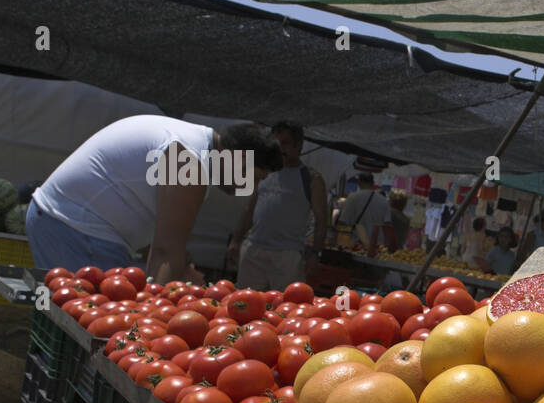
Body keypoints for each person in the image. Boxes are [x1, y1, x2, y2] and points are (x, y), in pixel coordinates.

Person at [26, 114, 282, 282]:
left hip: (67, 223)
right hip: (75, 230)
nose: (251, 186)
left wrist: (183, 268)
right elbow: (165, 251)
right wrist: (157, 320)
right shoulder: (188, 159)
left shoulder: (194, 145)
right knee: (95, 337)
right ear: (235, 156)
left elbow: (162, 237)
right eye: (254, 176)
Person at [228, 121, 327, 291]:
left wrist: (315, 254)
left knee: (284, 310)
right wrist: (236, 240)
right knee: (244, 304)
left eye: (286, 143)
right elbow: (249, 210)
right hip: (254, 251)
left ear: (299, 144)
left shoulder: (312, 179)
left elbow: (322, 220)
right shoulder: (265, 171)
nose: (280, 148)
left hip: (287, 257)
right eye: (276, 143)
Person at [338, 173, 392, 250]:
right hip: (378, 246)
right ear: (373, 183)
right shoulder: (384, 201)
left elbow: (343, 222)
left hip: (356, 245)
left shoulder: (352, 198)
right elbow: (387, 225)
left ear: (359, 182)